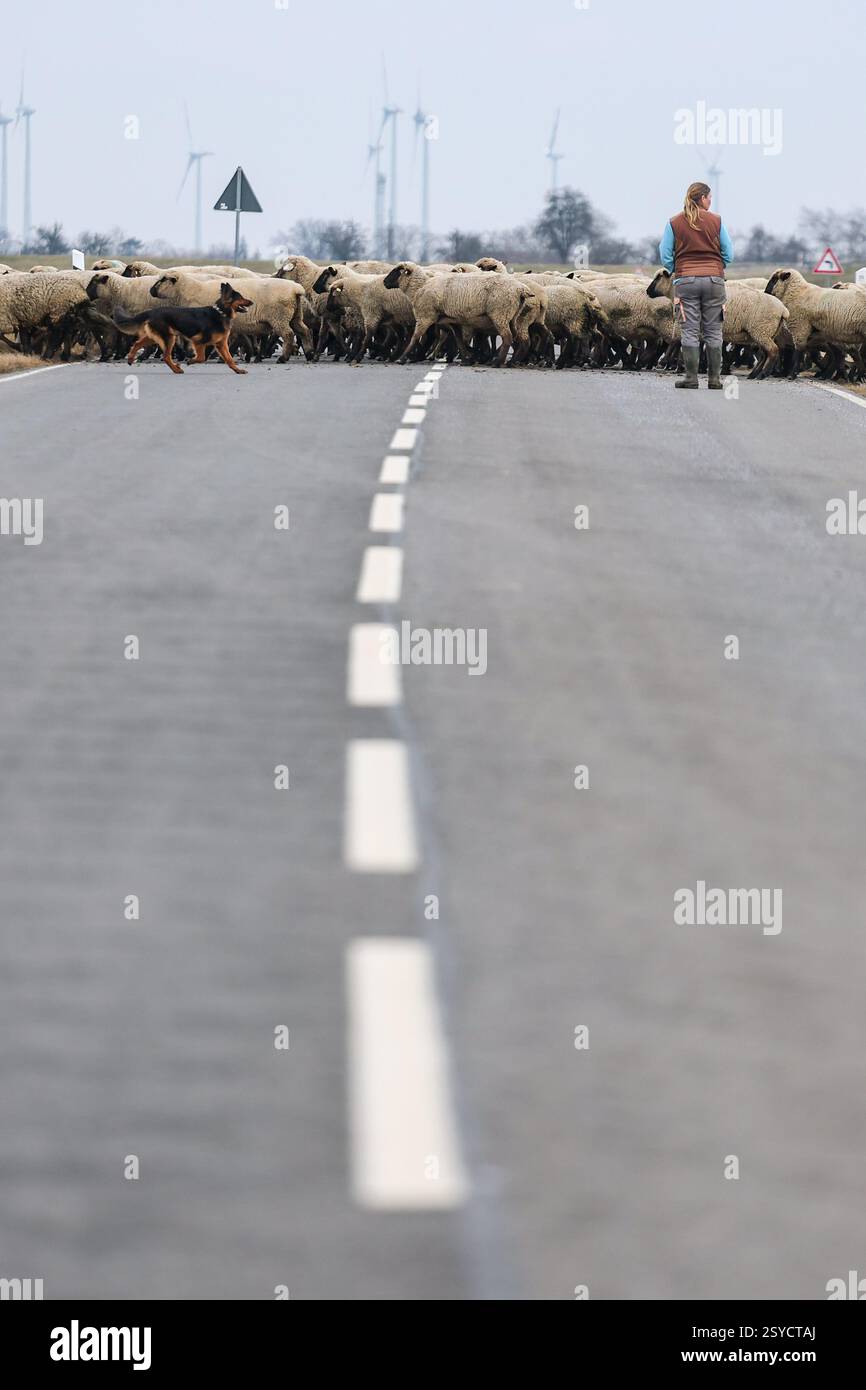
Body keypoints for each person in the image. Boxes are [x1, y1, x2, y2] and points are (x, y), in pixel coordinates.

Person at [660, 182, 734, 390]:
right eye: (709, 197)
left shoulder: (674, 222)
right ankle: (714, 380)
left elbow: (665, 254)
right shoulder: (717, 221)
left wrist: (679, 268)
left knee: (689, 330)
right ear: (701, 198)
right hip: (714, 281)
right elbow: (729, 253)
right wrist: (717, 267)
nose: (711, 201)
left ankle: (691, 379)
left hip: (686, 281)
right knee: (713, 330)